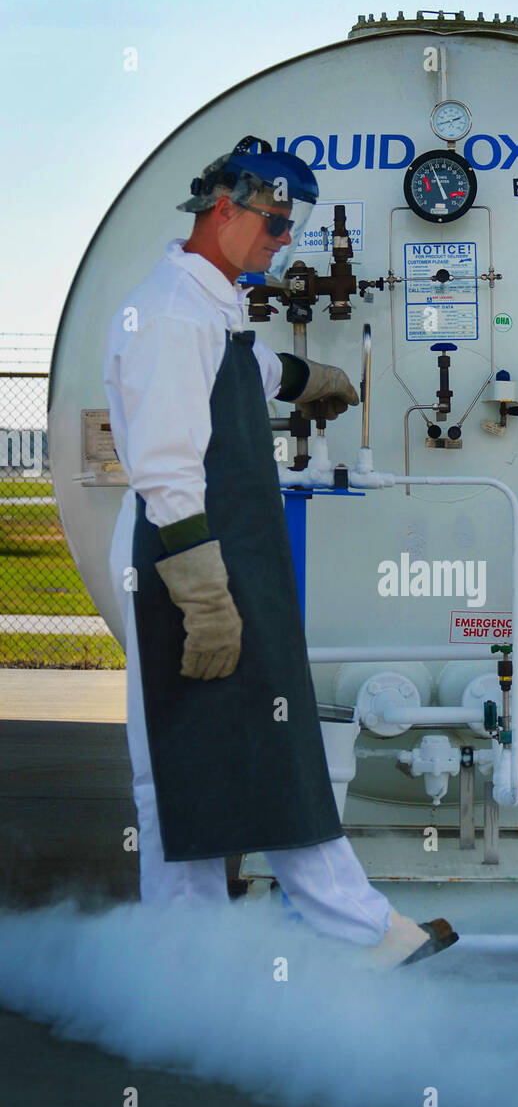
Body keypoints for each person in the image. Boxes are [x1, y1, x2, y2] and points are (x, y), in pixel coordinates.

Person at [103, 136, 458, 970]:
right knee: (177, 755)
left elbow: (247, 367)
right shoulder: (165, 312)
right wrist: (203, 595)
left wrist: (308, 376)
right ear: (222, 209)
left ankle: (326, 932)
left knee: (265, 734)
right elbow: (165, 464)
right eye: (269, 224)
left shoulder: (212, 299)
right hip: (183, 552)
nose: (280, 241)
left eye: (288, 228)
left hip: (231, 549)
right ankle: (213, 953)